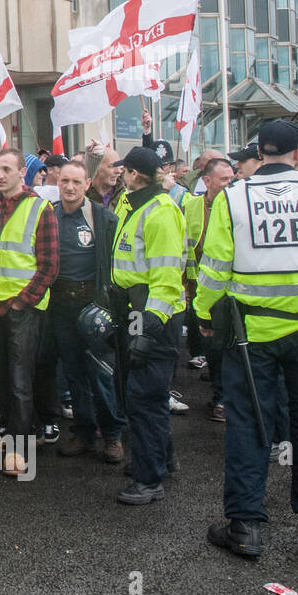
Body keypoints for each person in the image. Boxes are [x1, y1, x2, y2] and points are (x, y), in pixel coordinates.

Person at [195, 120, 298, 558]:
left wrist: (204, 315)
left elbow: (215, 268)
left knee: (250, 426)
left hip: (250, 336)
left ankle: (245, 528)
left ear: (258, 153)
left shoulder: (233, 198)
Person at [110, 146, 186, 505]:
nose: (119, 175)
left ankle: (149, 479)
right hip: (135, 309)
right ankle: (161, 458)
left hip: (154, 313)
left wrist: (147, 328)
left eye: (123, 170)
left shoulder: (161, 212)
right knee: (141, 393)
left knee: (145, 397)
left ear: (135, 174)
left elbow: (167, 280)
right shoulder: (134, 203)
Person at [45, 160, 124, 460]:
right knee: (74, 372)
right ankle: (83, 431)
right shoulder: (48, 215)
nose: (69, 187)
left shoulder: (101, 217)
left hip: (94, 306)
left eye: (76, 182)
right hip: (61, 305)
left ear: (87, 184)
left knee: (102, 373)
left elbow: (116, 261)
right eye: (65, 181)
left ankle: (113, 435)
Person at [0, 149, 59, 472]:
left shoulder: (39, 208)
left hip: (23, 307)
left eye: (6, 169)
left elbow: (49, 266)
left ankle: (20, 447)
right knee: (1, 373)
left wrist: (20, 301)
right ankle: (11, 428)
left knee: (20, 378)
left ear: (22, 173)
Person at [182, 158, 234, 421]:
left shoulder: (239, 205)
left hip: (233, 290)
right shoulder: (190, 206)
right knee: (214, 347)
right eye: (224, 179)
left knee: (230, 348)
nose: (229, 183)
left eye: (231, 178)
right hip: (201, 290)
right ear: (207, 181)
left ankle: (227, 397)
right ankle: (220, 396)